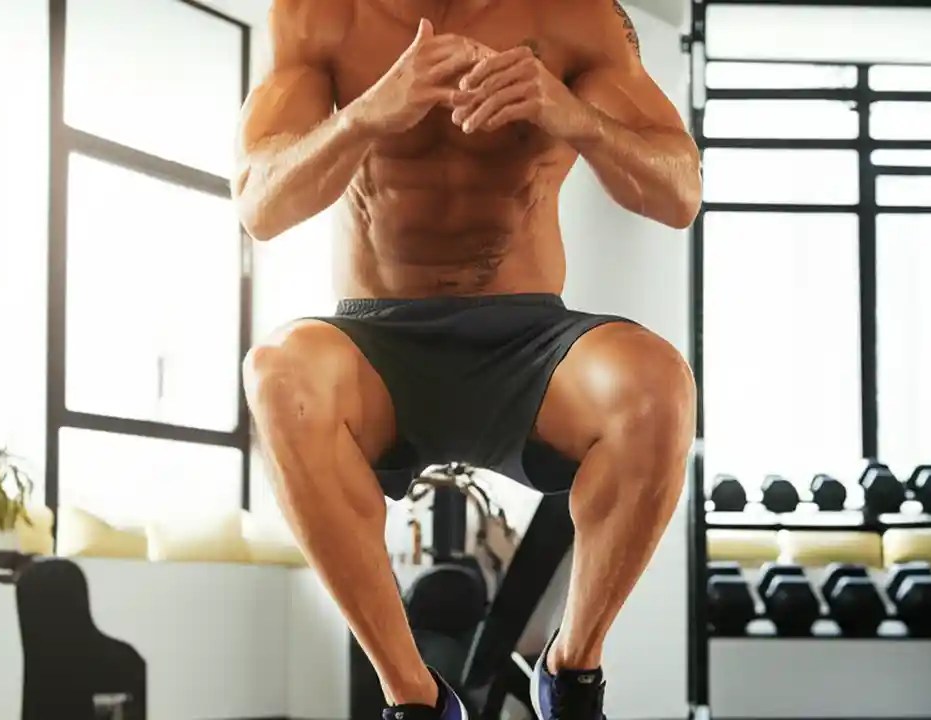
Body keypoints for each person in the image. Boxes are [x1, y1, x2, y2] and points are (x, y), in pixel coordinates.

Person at [234, 0, 701, 717]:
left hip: (529, 342)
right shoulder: (322, 15)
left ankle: (572, 672)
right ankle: (415, 699)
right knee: (277, 373)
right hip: (377, 346)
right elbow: (260, 206)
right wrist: (365, 116)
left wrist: (572, 115)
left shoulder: (576, 16)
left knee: (657, 383)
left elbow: (680, 193)